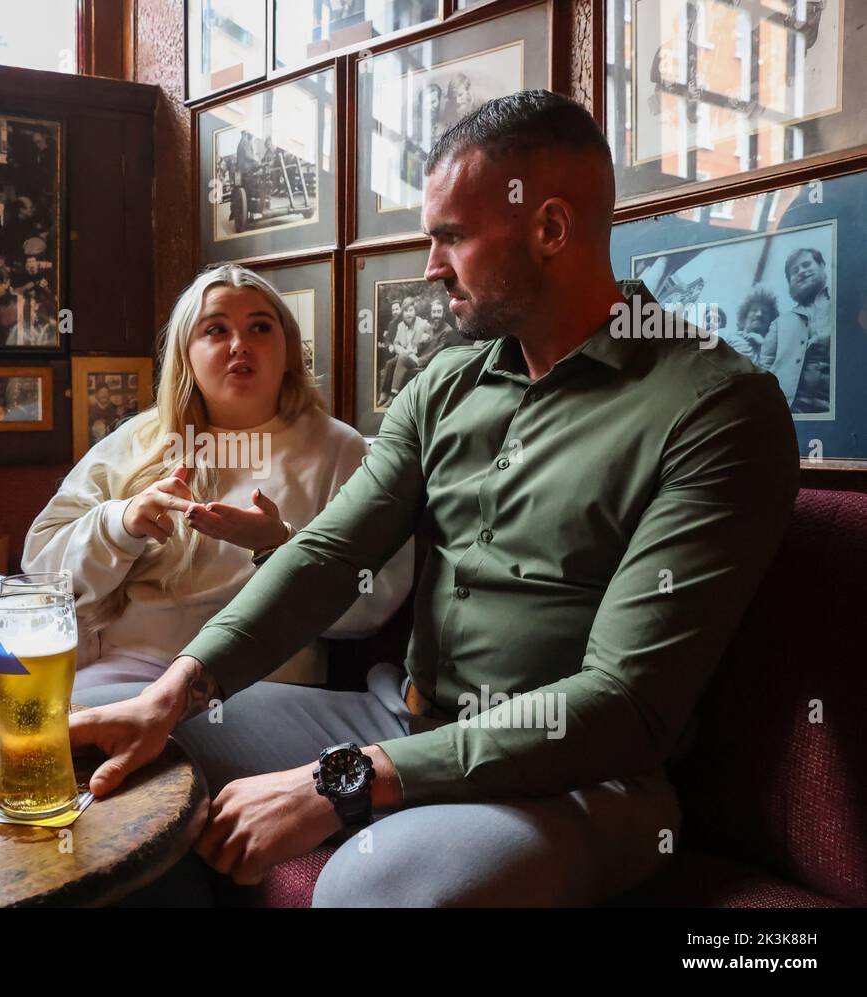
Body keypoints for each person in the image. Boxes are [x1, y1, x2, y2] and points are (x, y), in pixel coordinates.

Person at [49, 91, 799, 907]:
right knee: (106, 735)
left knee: (372, 882)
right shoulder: (446, 383)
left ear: (550, 229)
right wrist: (176, 690)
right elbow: (329, 554)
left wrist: (345, 782)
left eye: (451, 237)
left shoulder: (716, 408)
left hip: (579, 778)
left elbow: (624, 703)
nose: (432, 267)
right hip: (401, 719)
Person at [0, 263, 415, 703]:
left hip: (211, 672)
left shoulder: (341, 448)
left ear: (288, 348)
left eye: (260, 327)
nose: (238, 344)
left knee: (50, 720)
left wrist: (279, 547)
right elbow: (40, 565)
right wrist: (119, 524)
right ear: (187, 353)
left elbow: (373, 604)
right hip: (89, 637)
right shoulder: (143, 435)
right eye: (215, 329)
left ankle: (4, 755)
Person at [759, 247, 833, 414]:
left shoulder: (843, 306)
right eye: (795, 271)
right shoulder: (779, 323)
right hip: (786, 412)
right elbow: (764, 367)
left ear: (822, 265)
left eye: (806, 265)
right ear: (790, 282)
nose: (801, 272)